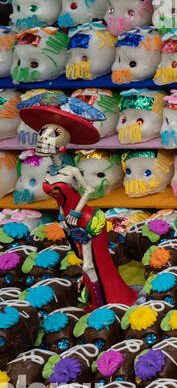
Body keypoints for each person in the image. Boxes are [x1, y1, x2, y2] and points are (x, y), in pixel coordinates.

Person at [16, 103, 134, 308]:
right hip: (68, 219)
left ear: (60, 144)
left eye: (49, 137)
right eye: (42, 135)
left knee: (91, 263)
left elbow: (87, 190)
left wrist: (75, 212)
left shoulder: (71, 171)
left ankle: (105, 302)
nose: (43, 140)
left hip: (86, 219)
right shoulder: (48, 173)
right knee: (84, 261)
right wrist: (62, 217)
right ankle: (98, 299)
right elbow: (58, 199)